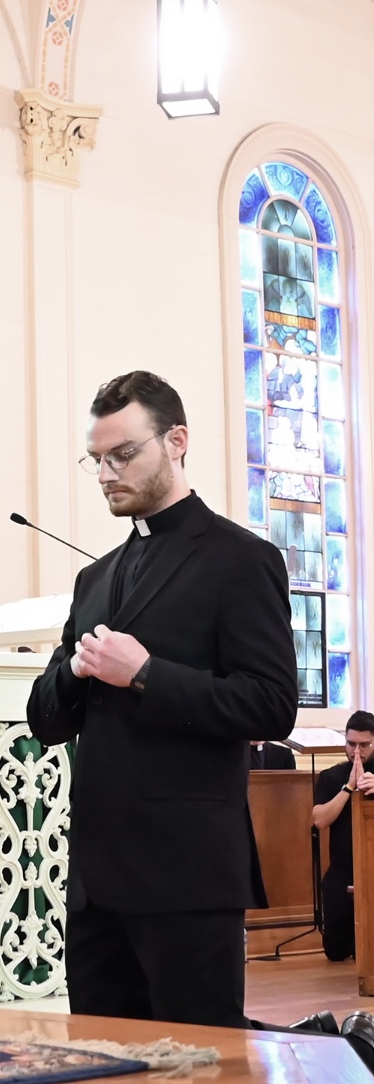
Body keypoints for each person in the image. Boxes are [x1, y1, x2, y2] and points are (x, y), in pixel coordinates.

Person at [27, 370, 298, 1028]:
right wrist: (73, 671)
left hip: (185, 874)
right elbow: (45, 719)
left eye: (122, 454)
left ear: (175, 440)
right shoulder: (94, 577)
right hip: (95, 883)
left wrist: (145, 673)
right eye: (95, 459)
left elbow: (269, 705)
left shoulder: (239, 559)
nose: (104, 473)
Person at [311, 711, 374, 961]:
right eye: (351, 744)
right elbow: (319, 820)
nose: (356, 751)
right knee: (336, 952)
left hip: (372, 867)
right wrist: (348, 788)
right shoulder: (331, 776)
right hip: (342, 870)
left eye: (364, 745)